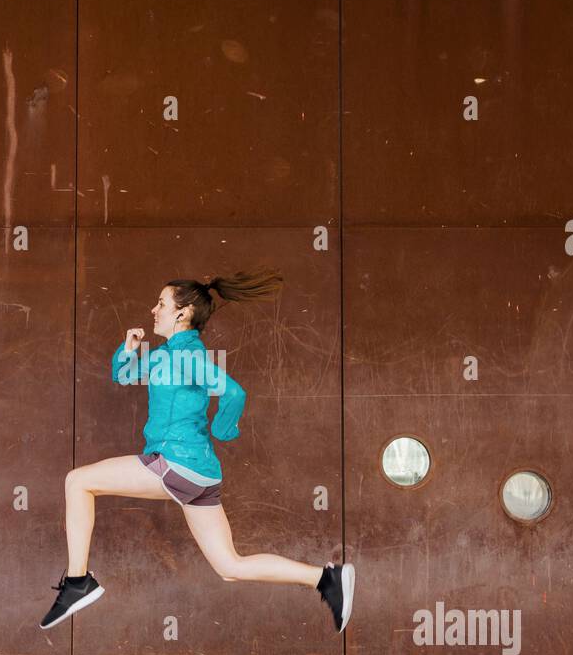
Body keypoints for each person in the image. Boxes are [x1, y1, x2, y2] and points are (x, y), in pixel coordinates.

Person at [39, 269, 354, 634]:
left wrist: (224, 429)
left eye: (161, 303)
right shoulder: (165, 355)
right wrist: (126, 351)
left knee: (78, 481)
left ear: (182, 313)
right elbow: (124, 376)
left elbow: (234, 392)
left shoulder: (188, 355)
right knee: (230, 567)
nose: (153, 309)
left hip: (175, 463)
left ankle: (78, 583)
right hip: (199, 475)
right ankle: (327, 579)